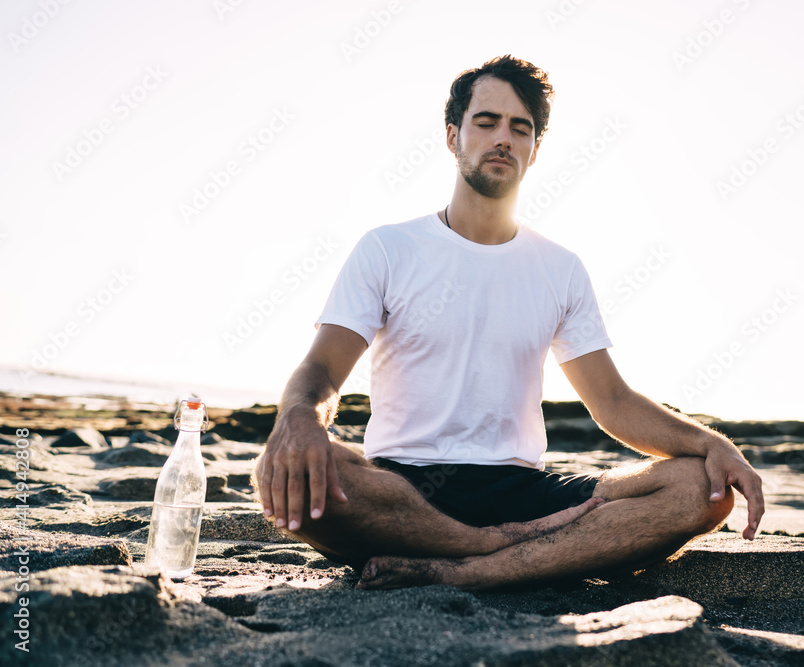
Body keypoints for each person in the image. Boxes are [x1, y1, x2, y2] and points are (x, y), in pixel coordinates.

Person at [253, 55, 764, 591]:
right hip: (405, 488)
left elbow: (613, 402)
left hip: (524, 492)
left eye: (520, 128)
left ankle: (468, 573)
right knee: (278, 471)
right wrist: (300, 417)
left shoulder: (559, 267)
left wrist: (713, 446)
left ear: (535, 151)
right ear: (453, 137)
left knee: (697, 488)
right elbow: (322, 370)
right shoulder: (389, 248)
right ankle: (498, 551)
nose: (503, 138)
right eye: (486, 121)